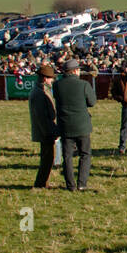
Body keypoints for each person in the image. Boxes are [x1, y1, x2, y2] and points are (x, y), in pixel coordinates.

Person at [54, 58, 96, 191]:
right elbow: (92, 102)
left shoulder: (57, 85)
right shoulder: (83, 85)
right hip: (82, 125)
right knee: (85, 154)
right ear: (76, 71)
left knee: (67, 156)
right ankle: (82, 183)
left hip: (65, 125)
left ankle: (70, 185)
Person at [29, 64, 60, 189]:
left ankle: (43, 182)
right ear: (44, 78)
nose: (52, 80)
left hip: (46, 130)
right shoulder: (40, 93)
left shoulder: (41, 90)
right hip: (45, 131)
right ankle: (41, 183)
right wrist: (50, 132)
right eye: (50, 78)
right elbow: (42, 116)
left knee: (48, 158)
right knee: (47, 159)